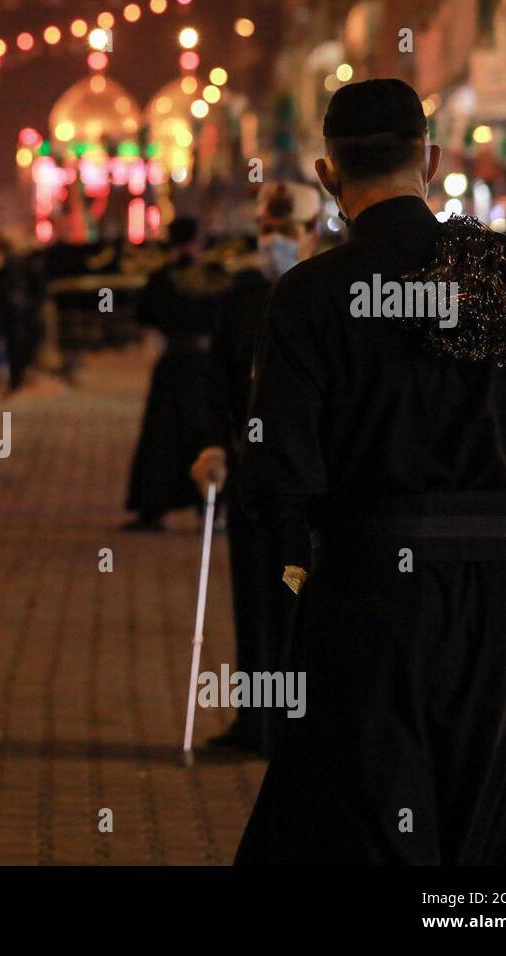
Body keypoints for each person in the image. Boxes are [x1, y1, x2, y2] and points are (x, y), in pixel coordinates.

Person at [235, 79, 506, 864]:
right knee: (484, 830)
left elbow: (278, 471)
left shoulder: (312, 295)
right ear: (428, 159)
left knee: (358, 823)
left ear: (329, 177)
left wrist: (295, 581)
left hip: (372, 594)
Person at [192, 183, 319, 757]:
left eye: (287, 233)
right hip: (253, 474)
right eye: (268, 231)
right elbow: (220, 383)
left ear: (312, 234)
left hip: (312, 482)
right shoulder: (242, 301)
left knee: (304, 600)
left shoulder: (331, 295)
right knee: (256, 597)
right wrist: (216, 444)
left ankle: (305, 723)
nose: (275, 243)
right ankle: (257, 719)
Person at [123, 217, 228, 531]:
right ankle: (208, 510)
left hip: (174, 363)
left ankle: (154, 509)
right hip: (208, 366)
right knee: (206, 436)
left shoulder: (162, 278)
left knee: (163, 437)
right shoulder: (217, 277)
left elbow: (145, 315)